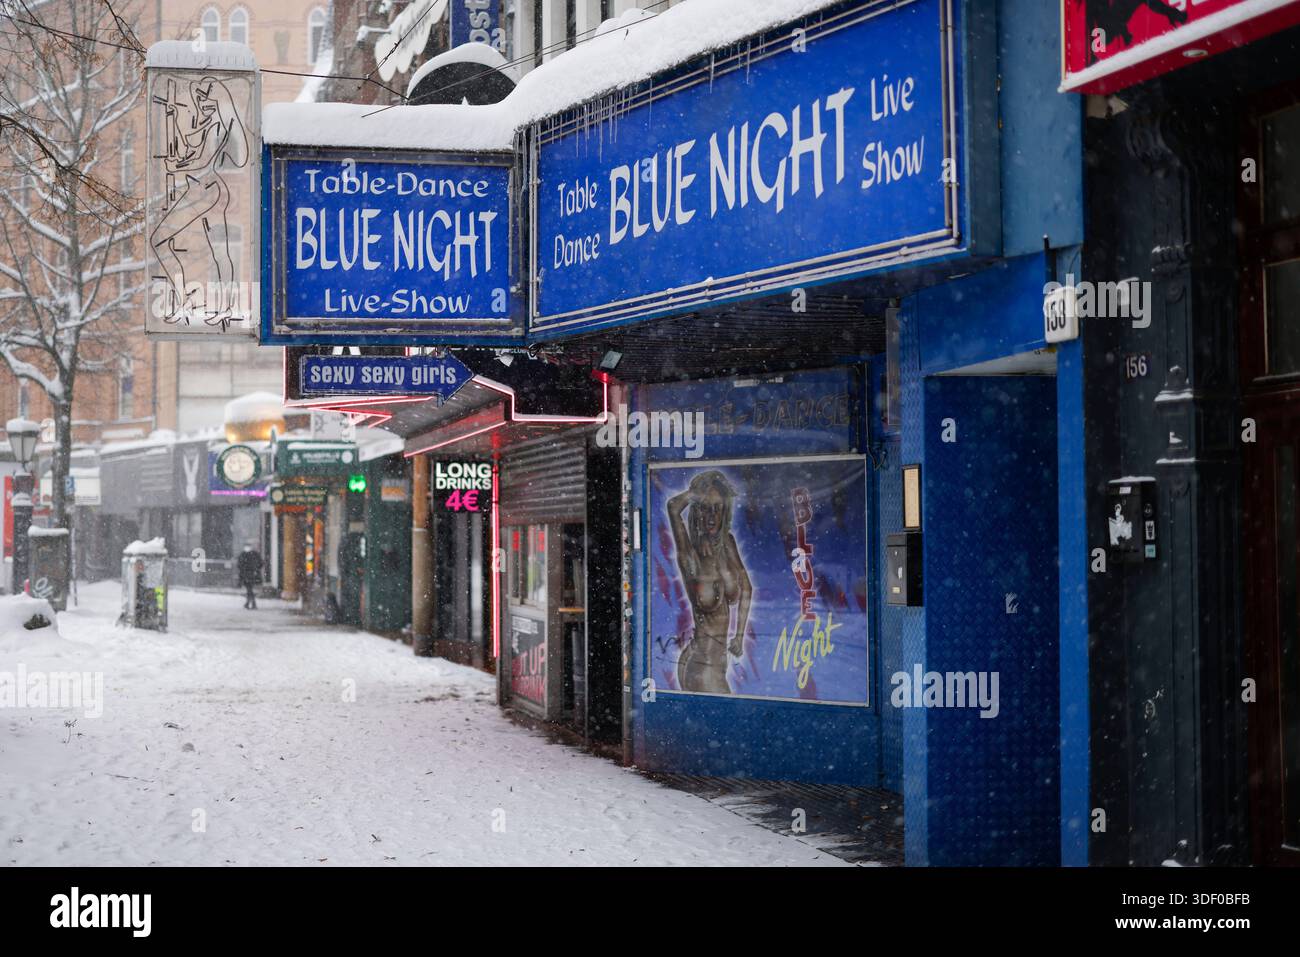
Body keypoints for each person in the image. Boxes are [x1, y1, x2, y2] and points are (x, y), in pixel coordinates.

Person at [666, 471, 753, 694]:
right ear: (696, 510)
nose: (712, 515)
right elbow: (673, 507)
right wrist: (695, 493)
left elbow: (746, 587)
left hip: (714, 663)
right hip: (702, 666)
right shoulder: (690, 555)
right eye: (705, 507)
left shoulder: (727, 544)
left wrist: (739, 635)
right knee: (728, 724)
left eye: (718, 507)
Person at [237, 541, 263, 610]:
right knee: (249, 589)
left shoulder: (245, 554)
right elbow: (260, 563)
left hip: (248, 575)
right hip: (250, 574)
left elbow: (239, 565)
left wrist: (255, 569)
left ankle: (250, 603)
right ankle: (249, 603)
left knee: (249, 589)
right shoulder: (253, 554)